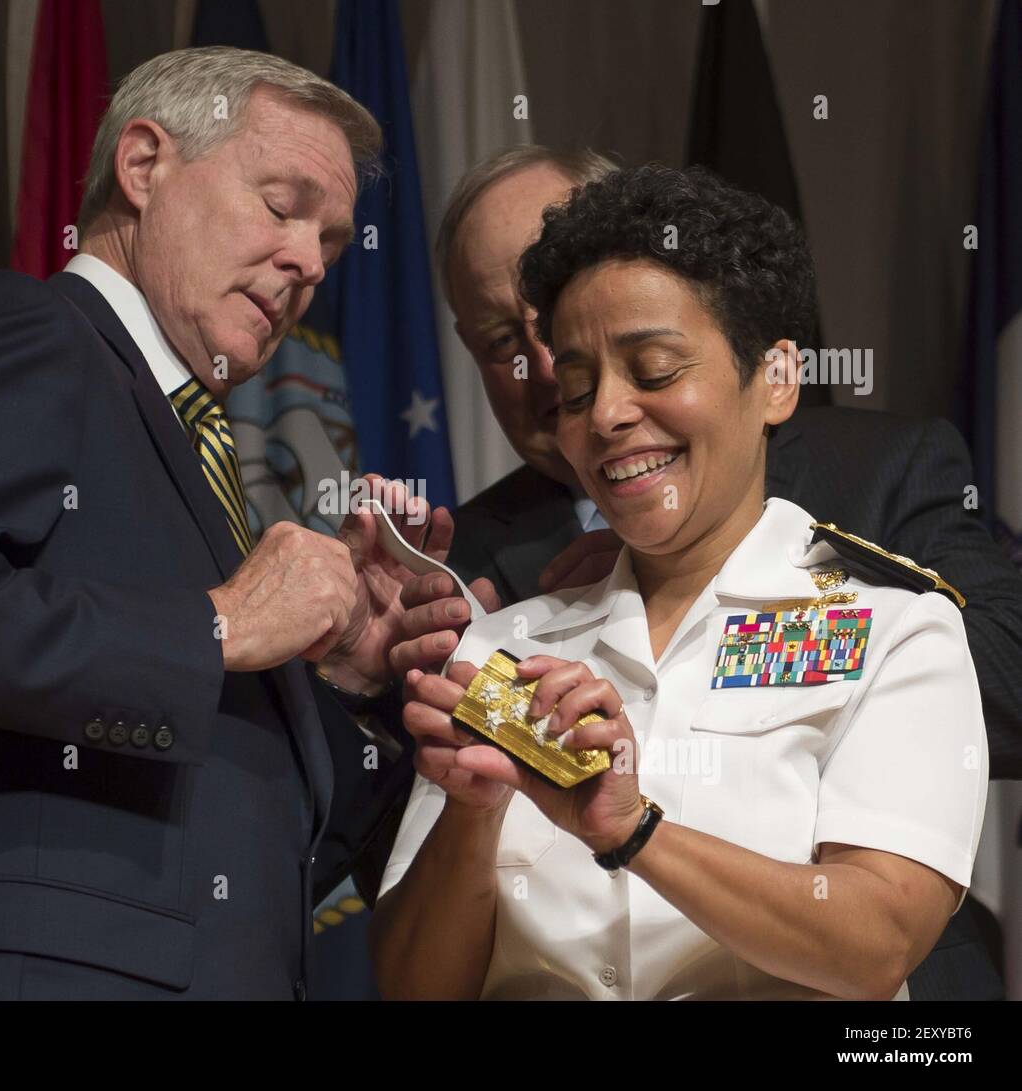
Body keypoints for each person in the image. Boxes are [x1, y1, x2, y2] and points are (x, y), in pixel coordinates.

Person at [0, 46, 436, 1000]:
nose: (309, 262)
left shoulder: (194, 454)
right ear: (143, 165)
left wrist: (346, 680)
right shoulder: (19, 330)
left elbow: (257, 854)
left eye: (331, 245)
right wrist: (219, 625)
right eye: (281, 205)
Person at [381, 144, 1021, 998]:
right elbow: (416, 987)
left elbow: (876, 943)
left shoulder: (893, 629)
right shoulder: (502, 641)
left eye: (654, 370)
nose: (606, 414)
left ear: (779, 378)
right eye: (576, 389)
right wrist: (472, 806)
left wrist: (637, 831)